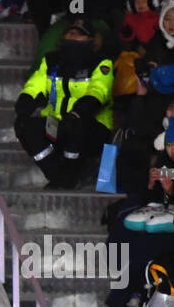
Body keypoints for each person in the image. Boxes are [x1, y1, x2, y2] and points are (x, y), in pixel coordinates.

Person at [15, 17, 114, 188]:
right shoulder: (51, 61)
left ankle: (70, 172)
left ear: (91, 40)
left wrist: (80, 111)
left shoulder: (101, 63)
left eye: (80, 33)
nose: (74, 34)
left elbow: (99, 91)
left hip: (91, 128)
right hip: (58, 125)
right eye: (71, 31)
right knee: (23, 125)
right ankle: (60, 177)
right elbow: (35, 85)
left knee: (76, 124)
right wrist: (26, 100)